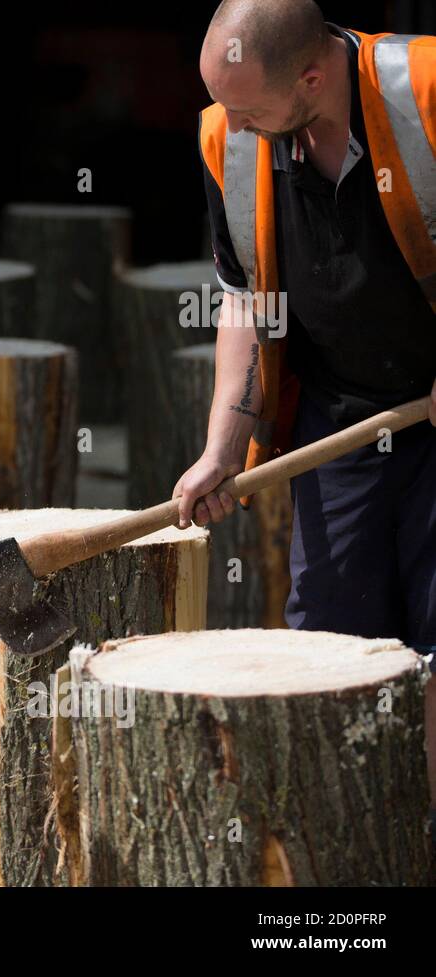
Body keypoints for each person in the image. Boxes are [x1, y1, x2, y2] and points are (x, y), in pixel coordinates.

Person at [181, 0, 436, 818]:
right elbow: (246, 301)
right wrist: (224, 443)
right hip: (340, 417)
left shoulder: (424, 92)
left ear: (314, 78)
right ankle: (343, 841)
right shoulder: (232, 136)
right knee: (330, 635)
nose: (232, 122)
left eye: (249, 107)